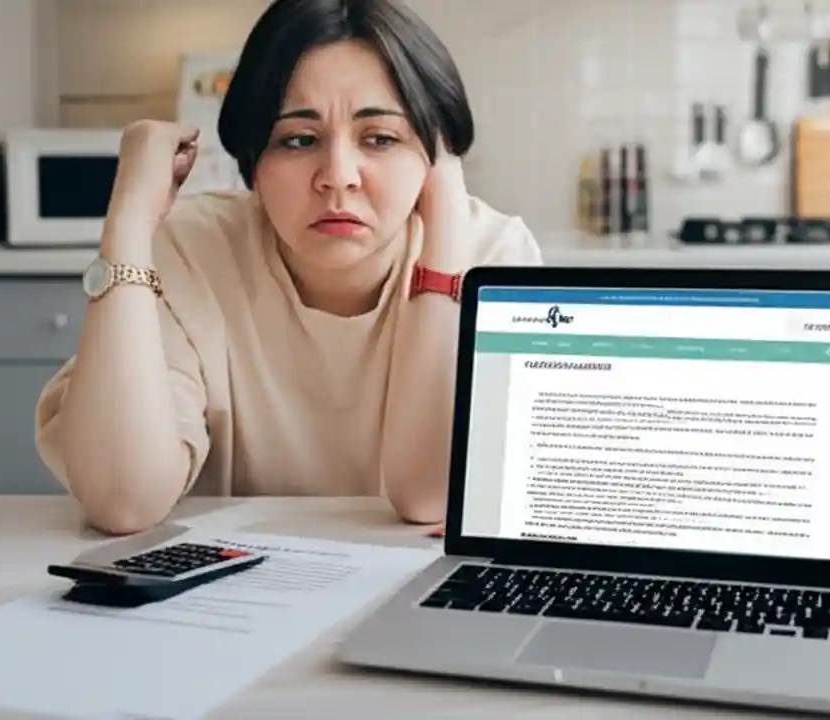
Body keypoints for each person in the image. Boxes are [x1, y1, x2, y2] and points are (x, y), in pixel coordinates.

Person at [34, 0, 543, 536]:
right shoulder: (193, 248)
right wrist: (130, 219)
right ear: (253, 159)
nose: (338, 177)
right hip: (226, 599)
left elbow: (428, 496)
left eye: (381, 139)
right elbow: (122, 500)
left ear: (434, 158)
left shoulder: (491, 252)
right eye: (299, 140)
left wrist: (446, 236)